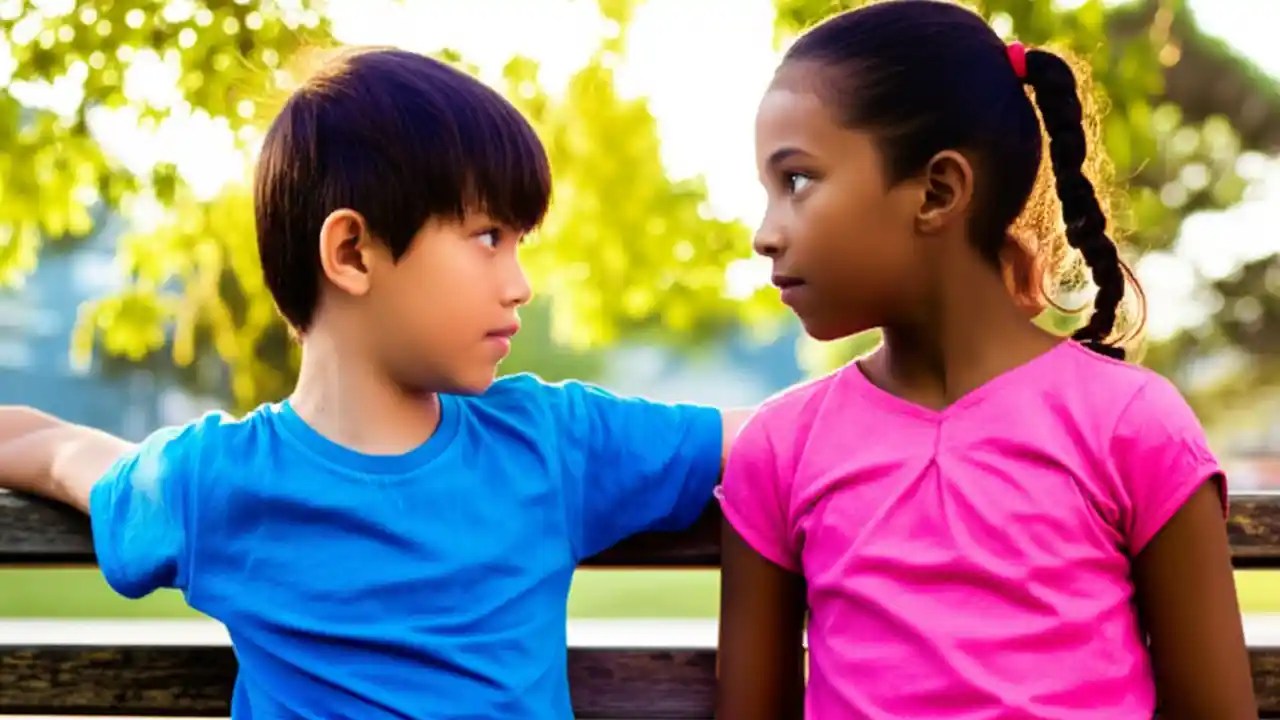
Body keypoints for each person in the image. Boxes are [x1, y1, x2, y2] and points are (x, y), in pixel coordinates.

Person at [0, 47, 747, 719]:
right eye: (488, 238)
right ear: (353, 251)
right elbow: (54, 448)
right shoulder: (213, 480)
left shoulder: (552, 441)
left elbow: (775, 434)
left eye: (519, 244)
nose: (520, 285)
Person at [715, 2, 1256, 718]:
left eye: (798, 182)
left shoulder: (1132, 426)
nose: (765, 235)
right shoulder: (781, 450)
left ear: (938, 191)